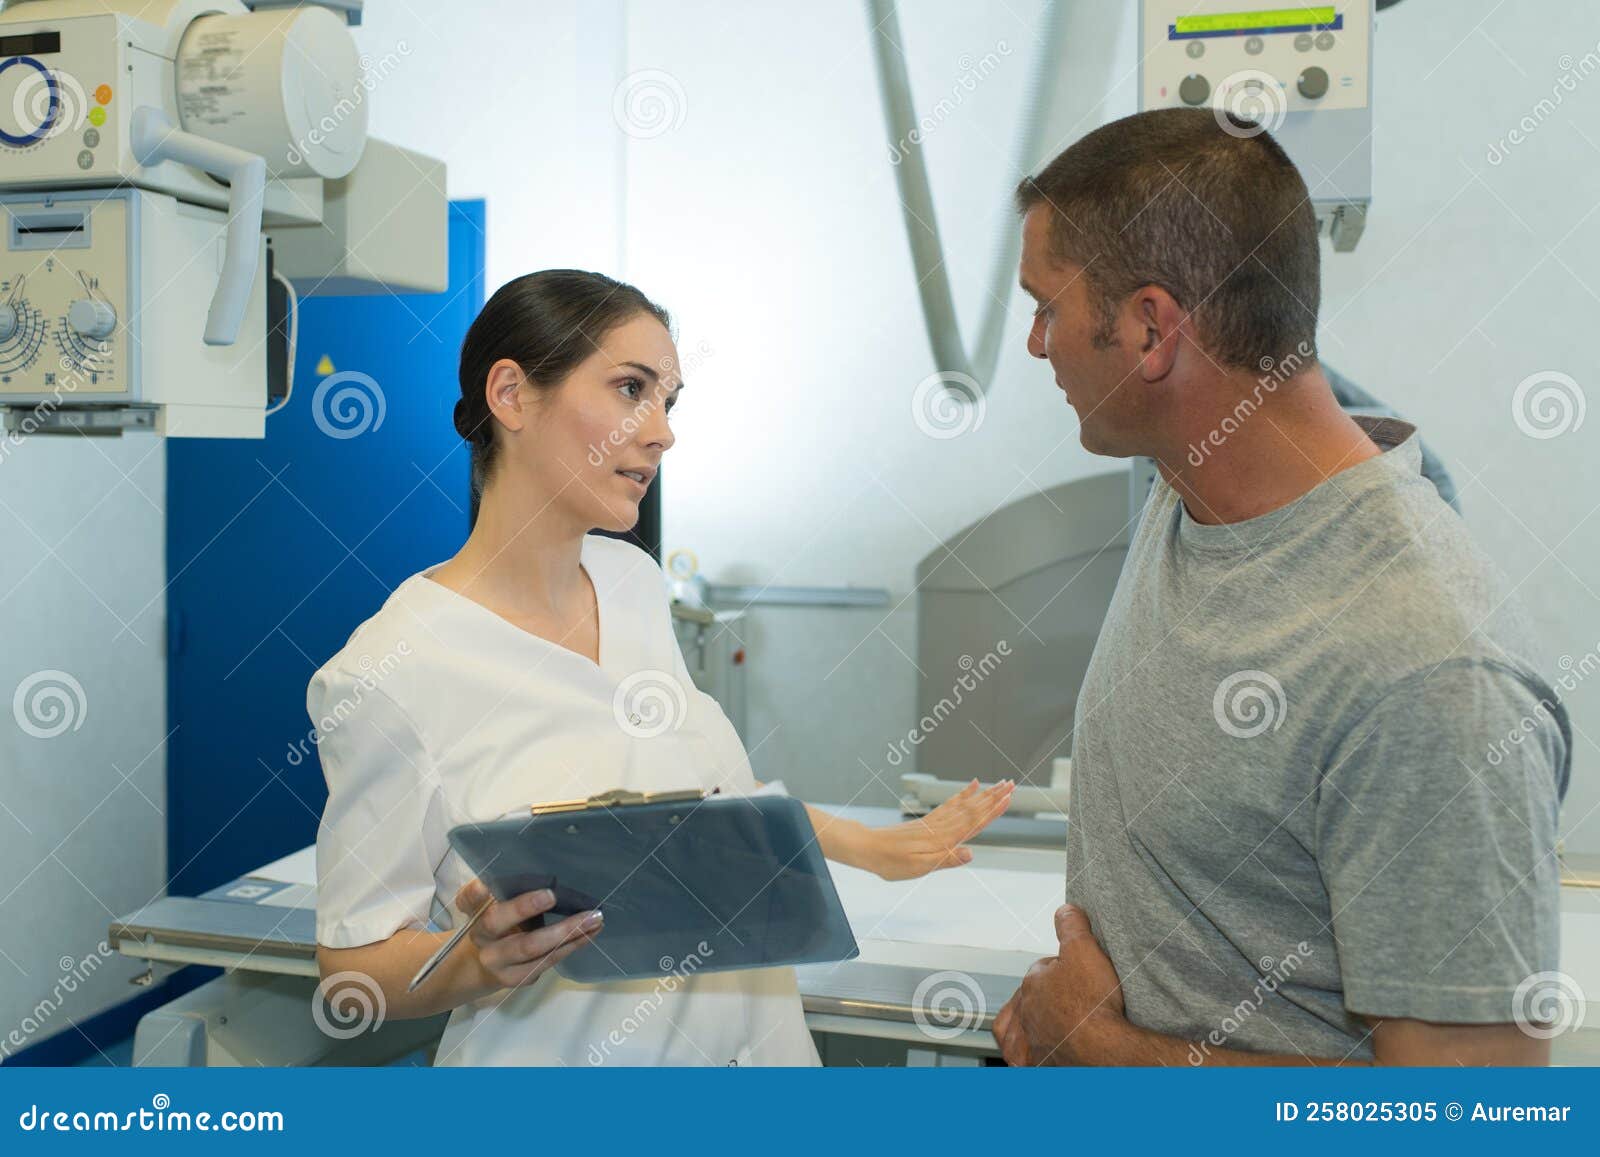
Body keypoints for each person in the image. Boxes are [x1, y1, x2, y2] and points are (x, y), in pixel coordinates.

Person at [310, 269, 1015, 1066]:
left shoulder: (632, 583)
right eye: (629, 388)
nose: (662, 432)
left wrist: (872, 846)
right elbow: (349, 974)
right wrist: (472, 964)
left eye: (668, 400)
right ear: (510, 394)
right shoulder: (391, 672)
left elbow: (702, 811)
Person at [992, 109, 1569, 1066]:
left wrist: (1105, 1052)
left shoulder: (1426, 675)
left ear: (1148, 330)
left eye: (1046, 307)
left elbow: (1475, 1116)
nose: (1036, 344)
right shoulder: (1195, 489)